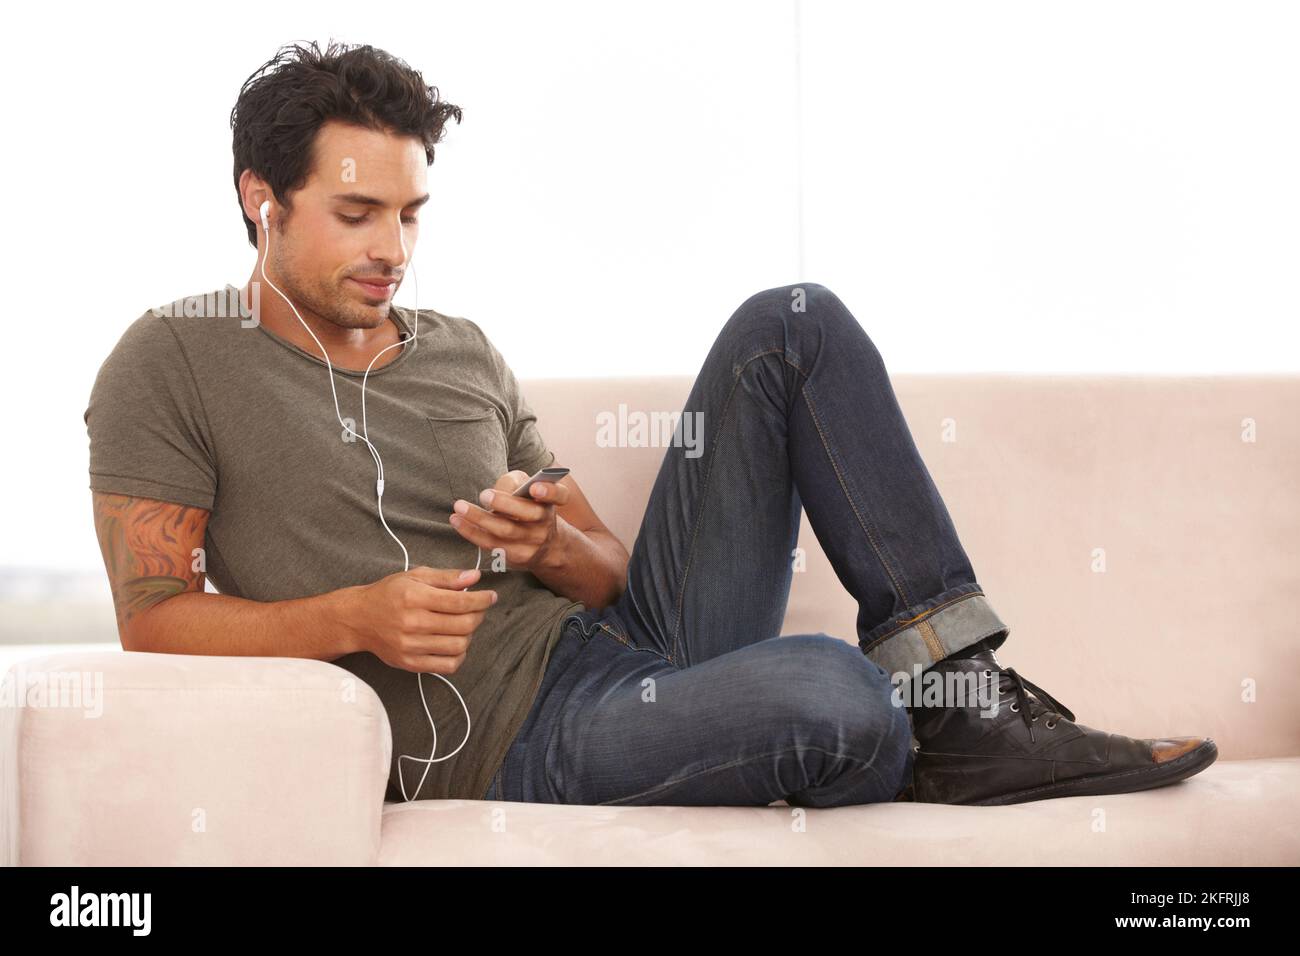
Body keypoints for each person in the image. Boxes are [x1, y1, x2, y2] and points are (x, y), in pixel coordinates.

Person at [85, 40, 1217, 810]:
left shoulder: (461, 348)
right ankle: (886, 713)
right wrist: (354, 618)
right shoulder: (172, 359)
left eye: (413, 212)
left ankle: (957, 693)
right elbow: (153, 615)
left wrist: (545, 546)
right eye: (357, 213)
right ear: (259, 198)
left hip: (630, 651)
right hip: (509, 739)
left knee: (793, 321)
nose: (395, 247)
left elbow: (607, 569)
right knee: (834, 691)